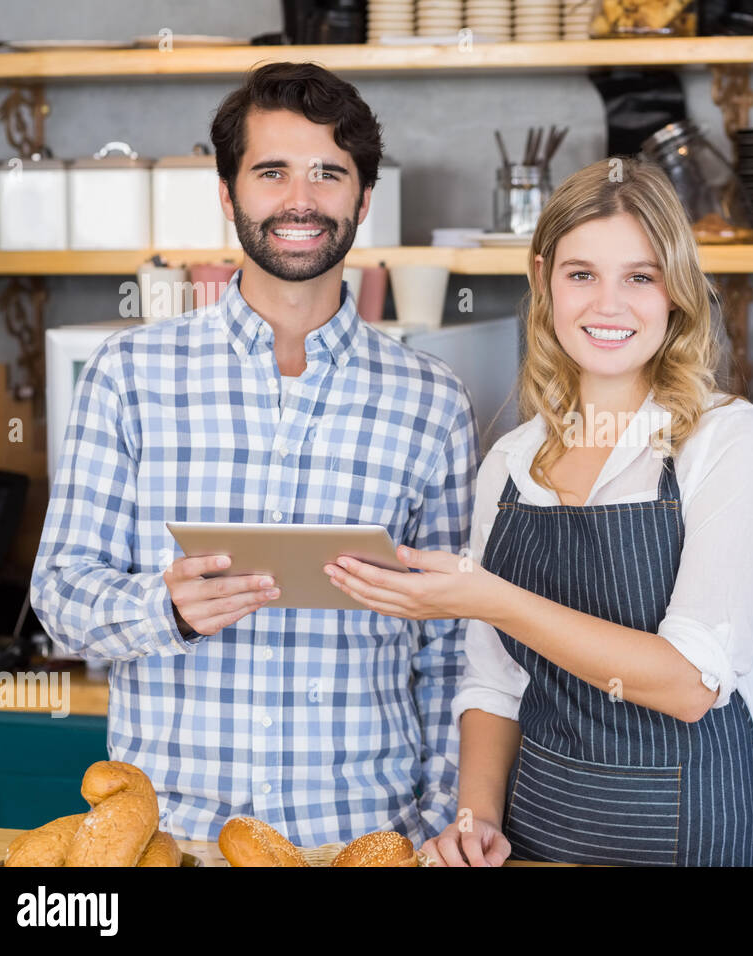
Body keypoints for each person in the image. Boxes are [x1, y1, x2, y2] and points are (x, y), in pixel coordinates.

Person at [30, 62, 477, 846]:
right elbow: (60, 597)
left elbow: (452, 649)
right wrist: (160, 610)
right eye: (272, 172)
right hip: (173, 839)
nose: (299, 200)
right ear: (229, 194)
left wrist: (439, 823)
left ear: (363, 200)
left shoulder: (431, 400)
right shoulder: (129, 376)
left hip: (362, 840)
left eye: (328, 174)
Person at [323, 157, 753, 866]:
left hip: (687, 842)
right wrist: (476, 813)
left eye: (639, 277)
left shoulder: (727, 442)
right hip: (536, 842)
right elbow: (495, 680)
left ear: (675, 291)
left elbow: (688, 684)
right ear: (543, 279)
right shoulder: (513, 462)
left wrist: (490, 597)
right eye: (582, 275)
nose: (608, 305)